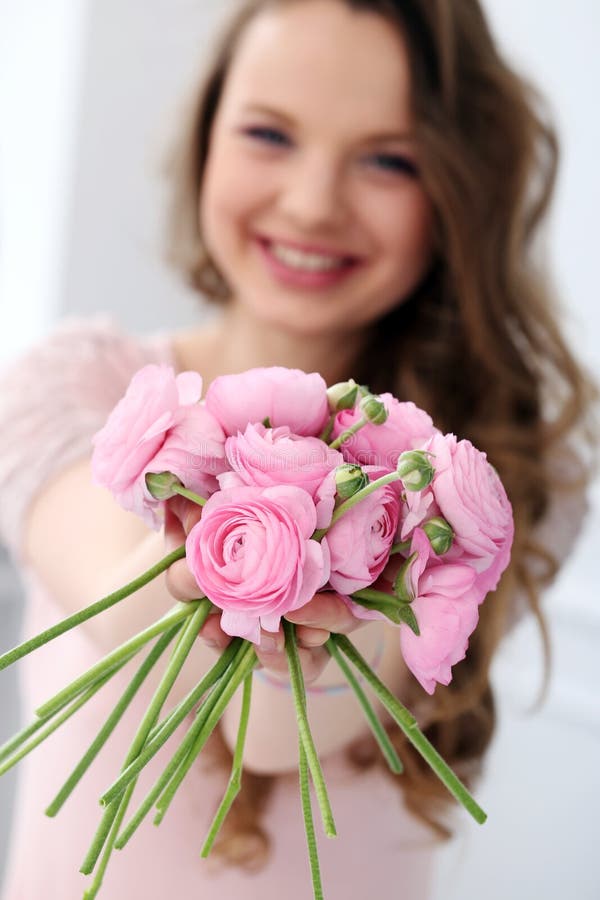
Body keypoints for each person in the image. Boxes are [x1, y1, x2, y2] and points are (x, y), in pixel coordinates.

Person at [0, 1, 596, 898]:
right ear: (206, 137)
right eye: (269, 135)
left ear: (459, 188)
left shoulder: (493, 473)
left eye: (389, 159)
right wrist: (250, 538)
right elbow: (118, 604)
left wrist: (332, 548)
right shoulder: (76, 389)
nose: (314, 204)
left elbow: (275, 739)